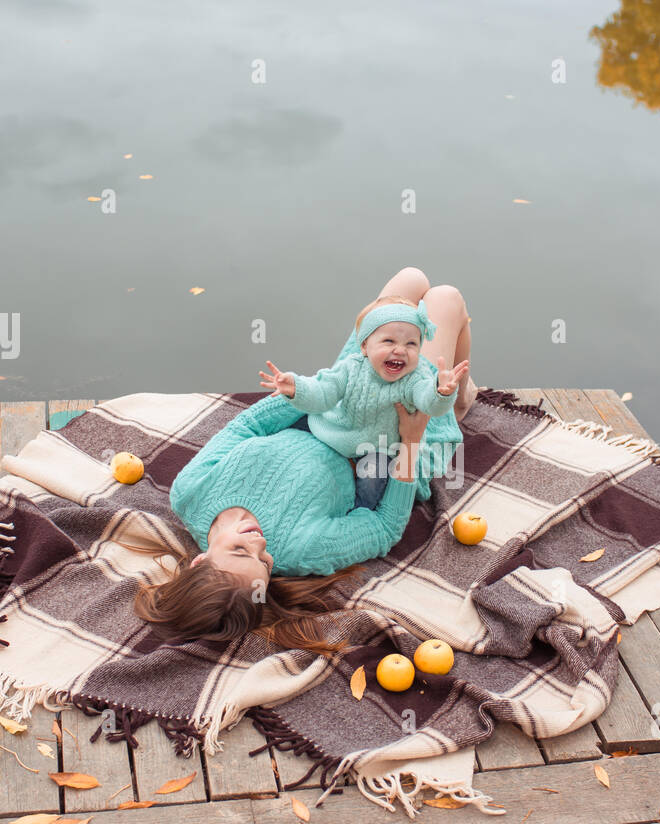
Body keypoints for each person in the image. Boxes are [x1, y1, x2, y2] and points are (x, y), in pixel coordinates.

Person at [132, 268, 477, 652]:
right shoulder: (299, 549)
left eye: (240, 551)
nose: (259, 544)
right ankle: (455, 402)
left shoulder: (189, 493)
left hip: (339, 414)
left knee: (409, 282)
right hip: (390, 446)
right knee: (445, 299)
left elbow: (249, 426)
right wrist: (412, 440)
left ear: (199, 561)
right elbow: (385, 527)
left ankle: (458, 394)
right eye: (264, 563)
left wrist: (314, 393)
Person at [257, 295, 469, 510]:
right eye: (389, 341)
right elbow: (323, 392)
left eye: (411, 344)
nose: (400, 350)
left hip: (380, 448)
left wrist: (441, 392)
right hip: (340, 431)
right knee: (297, 424)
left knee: (373, 477)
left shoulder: (414, 377)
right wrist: (296, 388)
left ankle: (360, 509)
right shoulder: (351, 367)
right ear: (365, 346)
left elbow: (429, 403)